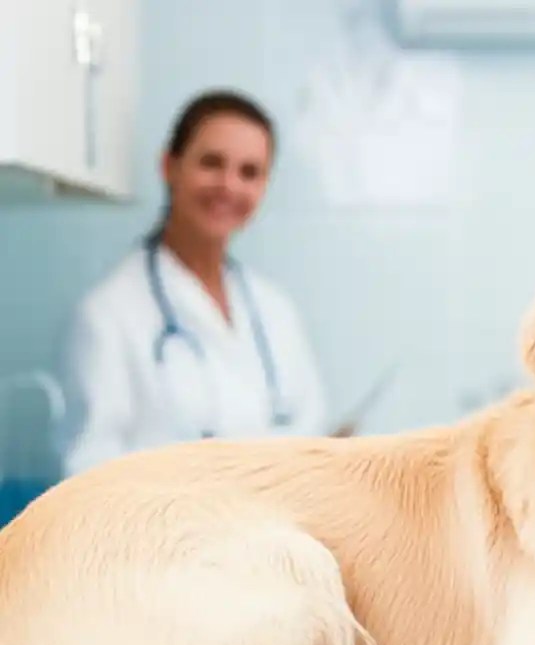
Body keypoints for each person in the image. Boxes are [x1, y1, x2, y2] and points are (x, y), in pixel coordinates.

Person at [56, 89, 346, 478]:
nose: (229, 185)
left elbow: (309, 430)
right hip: (167, 521)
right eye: (211, 163)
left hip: (275, 517)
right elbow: (87, 472)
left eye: (249, 172)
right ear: (169, 166)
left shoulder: (275, 308)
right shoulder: (108, 315)